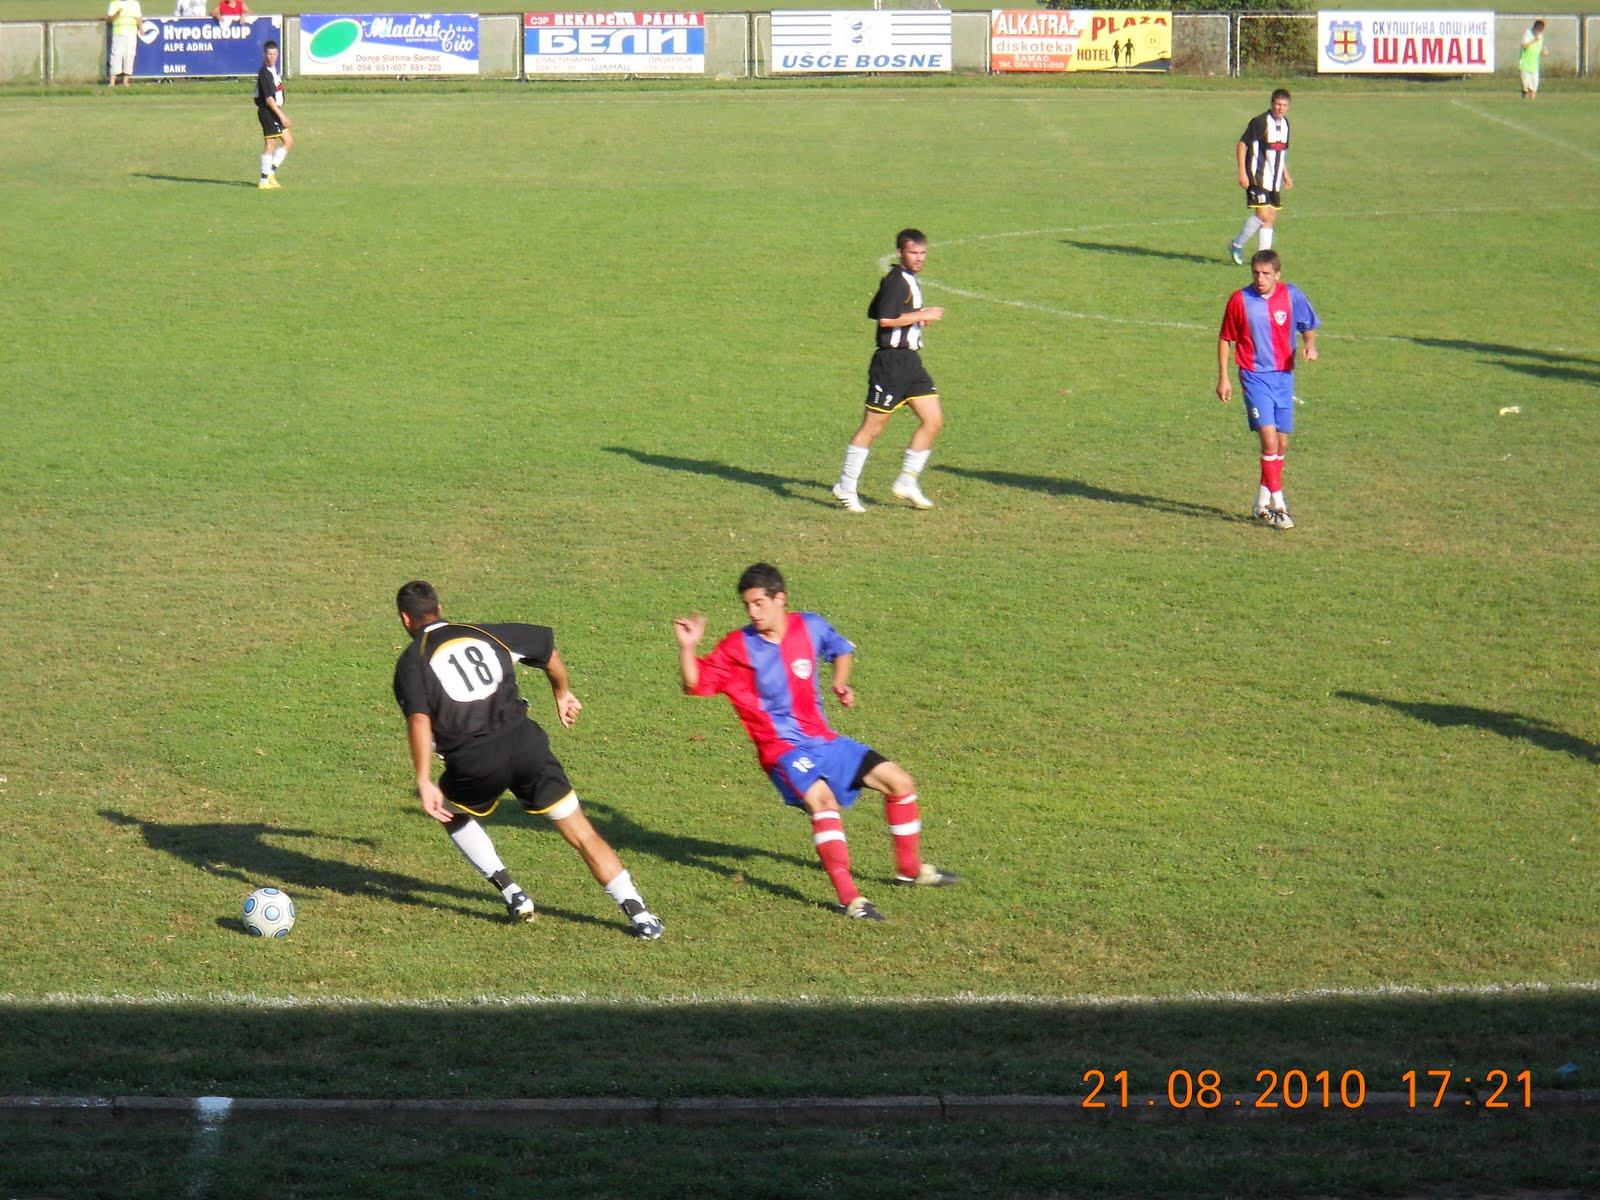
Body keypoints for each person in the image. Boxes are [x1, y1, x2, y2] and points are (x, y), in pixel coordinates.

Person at [673, 563, 958, 922]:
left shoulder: (810, 626)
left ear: (781, 599)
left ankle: (910, 868)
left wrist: (841, 682)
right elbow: (693, 684)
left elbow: (840, 649)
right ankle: (850, 898)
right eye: (747, 605)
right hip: (781, 750)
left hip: (823, 740)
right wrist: (688, 648)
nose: (753, 612)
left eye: (759, 603)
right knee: (823, 803)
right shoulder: (738, 646)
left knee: (899, 782)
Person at [392, 581, 663, 939]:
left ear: (405, 619)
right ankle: (639, 913)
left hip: (475, 761)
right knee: (582, 832)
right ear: (440, 609)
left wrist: (424, 779)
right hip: (526, 745)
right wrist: (562, 693)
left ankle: (513, 893)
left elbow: (420, 719)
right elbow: (548, 651)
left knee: (450, 811)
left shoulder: (412, 661)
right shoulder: (483, 633)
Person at [832, 228, 946, 513]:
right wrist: (922, 315)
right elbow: (884, 320)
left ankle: (907, 481)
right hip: (890, 365)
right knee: (873, 428)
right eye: (913, 253)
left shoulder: (907, 280)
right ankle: (845, 486)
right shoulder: (897, 281)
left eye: (922, 253)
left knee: (933, 420)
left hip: (911, 364)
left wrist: (915, 318)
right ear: (900, 253)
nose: (919, 258)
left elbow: (876, 310)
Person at [1216, 250, 1320, 529]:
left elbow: (1308, 325)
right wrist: (1224, 378)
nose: (1260, 279)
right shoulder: (1240, 300)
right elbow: (1226, 338)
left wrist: (1310, 344)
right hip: (1253, 376)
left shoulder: (1291, 295)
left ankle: (1260, 504)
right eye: (1256, 273)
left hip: (1283, 377)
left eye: (1265, 274)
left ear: (1277, 275)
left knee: (1282, 444)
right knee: (1270, 442)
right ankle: (1280, 506)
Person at [1228, 89, 1292, 266]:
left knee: (1271, 217)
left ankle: (1263, 260)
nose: (1281, 108)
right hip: (1257, 176)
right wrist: (1242, 172)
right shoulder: (1261, 122)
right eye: (1278, 104)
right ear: (1272, 103)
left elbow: (1280, 151)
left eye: (1284, 105)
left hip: (1274, 179)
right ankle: (1236, 245)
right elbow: (1242, 144)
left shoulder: (1286, 124)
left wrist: (1286, 175)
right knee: (1263, 215)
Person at [254, 40, 291, 190]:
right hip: (268, 112)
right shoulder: (264, 73)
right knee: (270, 144)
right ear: (264, 54)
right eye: (269, 54)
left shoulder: (273, 70)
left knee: (289, 141)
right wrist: (281, 116)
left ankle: (270, 173)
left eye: (275, 54)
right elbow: (269, 98)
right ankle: (263, 180)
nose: (272, 57)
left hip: (275, 111)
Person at [105, 0, 142, 87]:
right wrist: (117, 13)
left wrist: (141, 29)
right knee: (116, 56)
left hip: (131, 33)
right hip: (118, 33)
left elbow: (138, 18)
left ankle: (126, 82)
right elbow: (109, 19)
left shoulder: (135, 3)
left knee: (129, 56)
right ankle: (112, 81)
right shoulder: (114, 3)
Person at [1519, 20, 1547, 99]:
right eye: (1537, 30)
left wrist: (1543, 52)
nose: (1538, 33)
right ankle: (1524, 99)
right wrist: (1533, 41)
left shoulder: (1541, 36)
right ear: (1534, 28)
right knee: (1525, 87)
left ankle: (1532, 103)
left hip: (1534, 65)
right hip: (1525, 64)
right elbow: (1524, 45)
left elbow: (1540, 48)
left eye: (1540, 31)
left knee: (1534, 87)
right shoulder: (1527, 33)